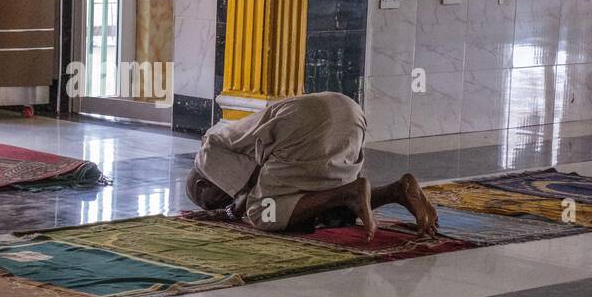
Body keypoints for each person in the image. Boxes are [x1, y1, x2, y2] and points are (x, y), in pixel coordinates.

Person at [184, 92, 438, 240]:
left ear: (201, 183)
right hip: (348, 111)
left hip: (307, 128)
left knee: (263, 212)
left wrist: (232, 213)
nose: (216, 204)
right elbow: (262, 176)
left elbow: (248, 188)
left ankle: (349, 192)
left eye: (207, 201)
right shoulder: (234, 140)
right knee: (322, 204)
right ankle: (396, 191)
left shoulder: (208, 152)